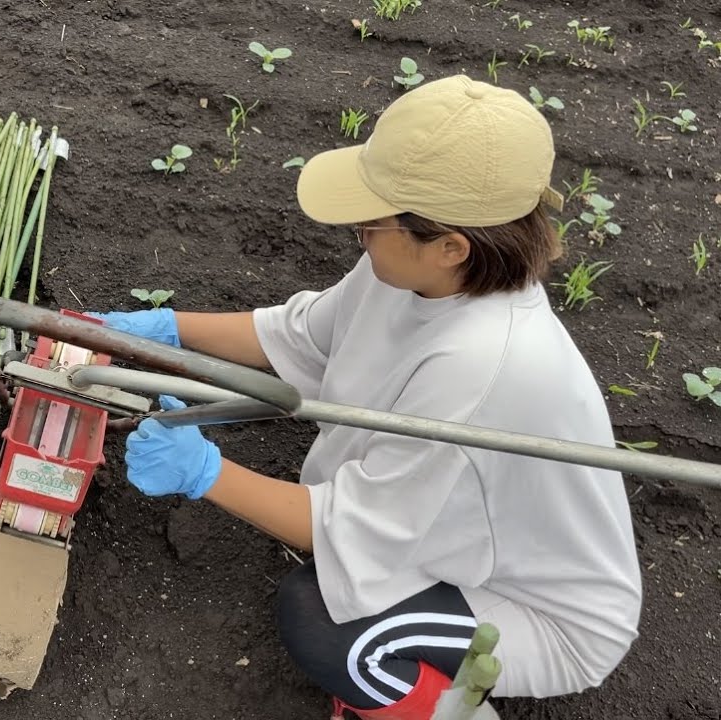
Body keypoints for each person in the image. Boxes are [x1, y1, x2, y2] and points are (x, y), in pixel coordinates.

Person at [92, 75, 642, 719]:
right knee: (331, 588)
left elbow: (349, 532)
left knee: (334, 633)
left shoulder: (484, 367)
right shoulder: (416, 274)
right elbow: (300, 339)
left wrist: (203, 472)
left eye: (369, 223)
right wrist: (156, 332)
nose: (357, 230)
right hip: (445, 536)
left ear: (449, 246)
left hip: (534, 606)